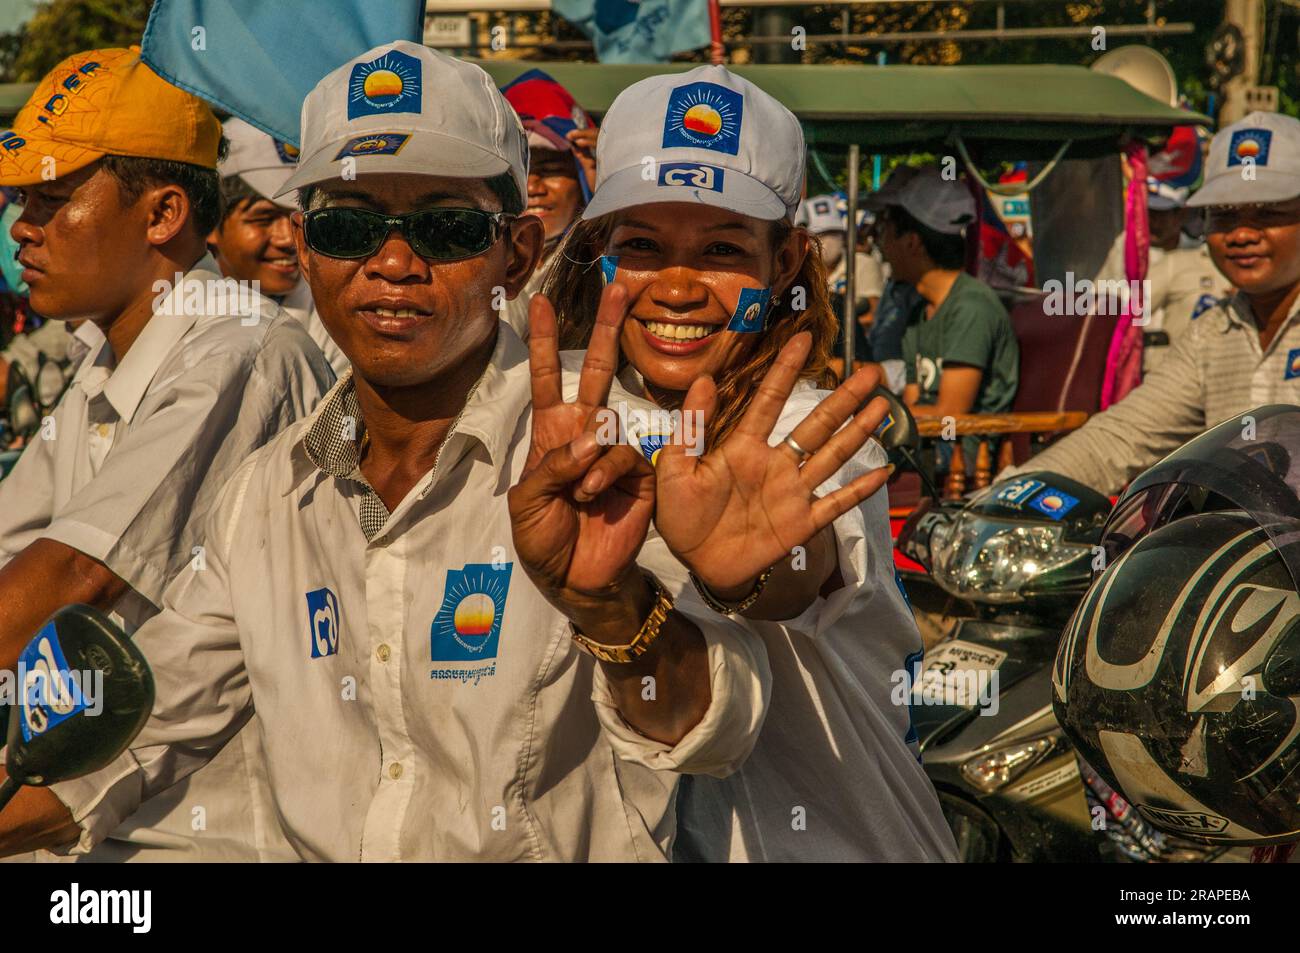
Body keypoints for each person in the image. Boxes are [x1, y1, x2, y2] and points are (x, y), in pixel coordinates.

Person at [0, 44, 883, 862]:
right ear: (304, 249)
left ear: (516, 252)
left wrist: (613, 610)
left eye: (447, 227)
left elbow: (711, 729)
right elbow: (146, 726)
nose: (392, 261)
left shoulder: (610, 452)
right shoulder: (263, 499)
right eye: (348, 225)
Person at [543, 64, 958, 862]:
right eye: (641, 245)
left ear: (785, 264)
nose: (675, 286)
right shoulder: (558, 408)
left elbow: (806, 560)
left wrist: (745, 573)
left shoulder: (805, 427)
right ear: (597, 254)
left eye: (723, 248)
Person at [0, 48, 334, 860]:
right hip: (99, 824)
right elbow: (19, 548)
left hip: (205, 840)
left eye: (52, 198)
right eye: (21, 199)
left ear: (162, 214)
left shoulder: (240, 352)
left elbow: (81, 571)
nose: (22, 226)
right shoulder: (104, 363)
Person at [1000, 112, 1300, 496]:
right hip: (1239, 550)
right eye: (1223, 216)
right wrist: (1010, 492)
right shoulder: (1210, 335)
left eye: (1267, 213)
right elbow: (1120, 438)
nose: (1241, 234)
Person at [873, 166, 1019, 420]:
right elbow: (913, 400)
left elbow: (950, 414)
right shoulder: (921, 310)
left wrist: (869, 420)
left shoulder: (971, 308)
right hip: (923, 447)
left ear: (912, 243)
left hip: (957, 454)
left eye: (885, 231)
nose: (880, 245)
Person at [211, 118, 348, 376]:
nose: (289, 239)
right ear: (210, 223)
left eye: (300, 219)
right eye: (263, 219)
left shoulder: (334, 311)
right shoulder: (170, 306)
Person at [1091, 176, 1231, 373]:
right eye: (1148, 213)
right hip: (1134, 364)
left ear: (1180, 214)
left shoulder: (1199, 255)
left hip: (1186, 364)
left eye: (1161, 214)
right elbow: (1097, 304)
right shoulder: (1127, 247)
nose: (1152, 221)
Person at [499, 69, 597, 339]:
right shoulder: (473, 255)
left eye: (552, 169)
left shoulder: (606, 257)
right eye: (519, 172)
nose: (532, 187)